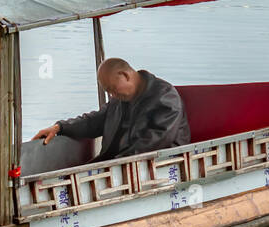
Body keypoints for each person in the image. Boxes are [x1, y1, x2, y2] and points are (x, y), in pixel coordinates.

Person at [33, 58, 192, 163]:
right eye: (108, 91)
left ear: (125, 75)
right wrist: (60, 127)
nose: (111, 95)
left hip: (156, 165)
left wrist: (113, 165)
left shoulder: (165, 97)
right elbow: (94, 121)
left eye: (112, 89)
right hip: (118, 163)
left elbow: (152, 143)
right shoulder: (120, 98)